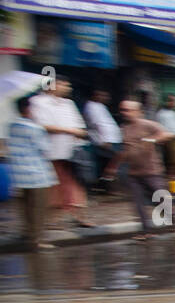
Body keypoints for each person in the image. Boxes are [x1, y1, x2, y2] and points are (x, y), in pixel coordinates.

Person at [30, 78, 89, 226]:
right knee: (53, 188)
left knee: (74, 185)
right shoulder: (38, 102)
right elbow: (41, 125)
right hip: (49, 152)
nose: (67, 87)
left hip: (70, 152)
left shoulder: (68, 104)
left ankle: (79, 218)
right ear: (53, 85)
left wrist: (78, 132)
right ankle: (50, 222)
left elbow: (79, 126)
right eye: (64, 84)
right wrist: (69, 130)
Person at [117, 100, 175, 236]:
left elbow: (168, 134)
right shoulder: (124, 128)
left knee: (160, 197)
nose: (125, 113)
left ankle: (172, 221)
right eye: (123, 110)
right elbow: (125, 149)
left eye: (128, 110)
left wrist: (151, 140)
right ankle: (145, 231)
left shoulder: (147, 124)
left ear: (138, 112)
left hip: (151, 171)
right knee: (137, 203)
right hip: (133, 172)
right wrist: (115, 166)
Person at [7, 94, 57, 248]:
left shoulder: (12, 126)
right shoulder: (35, 128)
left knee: (25, 207)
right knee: (38, 208)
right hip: (37, 174)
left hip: (20, 174)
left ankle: (27, 234)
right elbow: (45, 148)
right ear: (28, 109)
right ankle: (37, 240)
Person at [82, 88, 122, 190]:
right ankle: (102, 186)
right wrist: (104, 140)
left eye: (105, 95)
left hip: (111, 139)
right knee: (106, 164)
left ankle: (105, 186)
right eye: (101, 95)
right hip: (103, 140)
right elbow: (97, 124)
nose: (105, 98)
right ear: (94, 96)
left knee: (109, 164)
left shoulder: (101, 106)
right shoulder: (91, 106)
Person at [155, 94, 175, 179]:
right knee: (174, 164)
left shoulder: (173, 113)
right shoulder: (162, 114)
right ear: (167, 102)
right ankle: (172, 183)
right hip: (172, 140)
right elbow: (166, 129)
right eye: (173, 101)